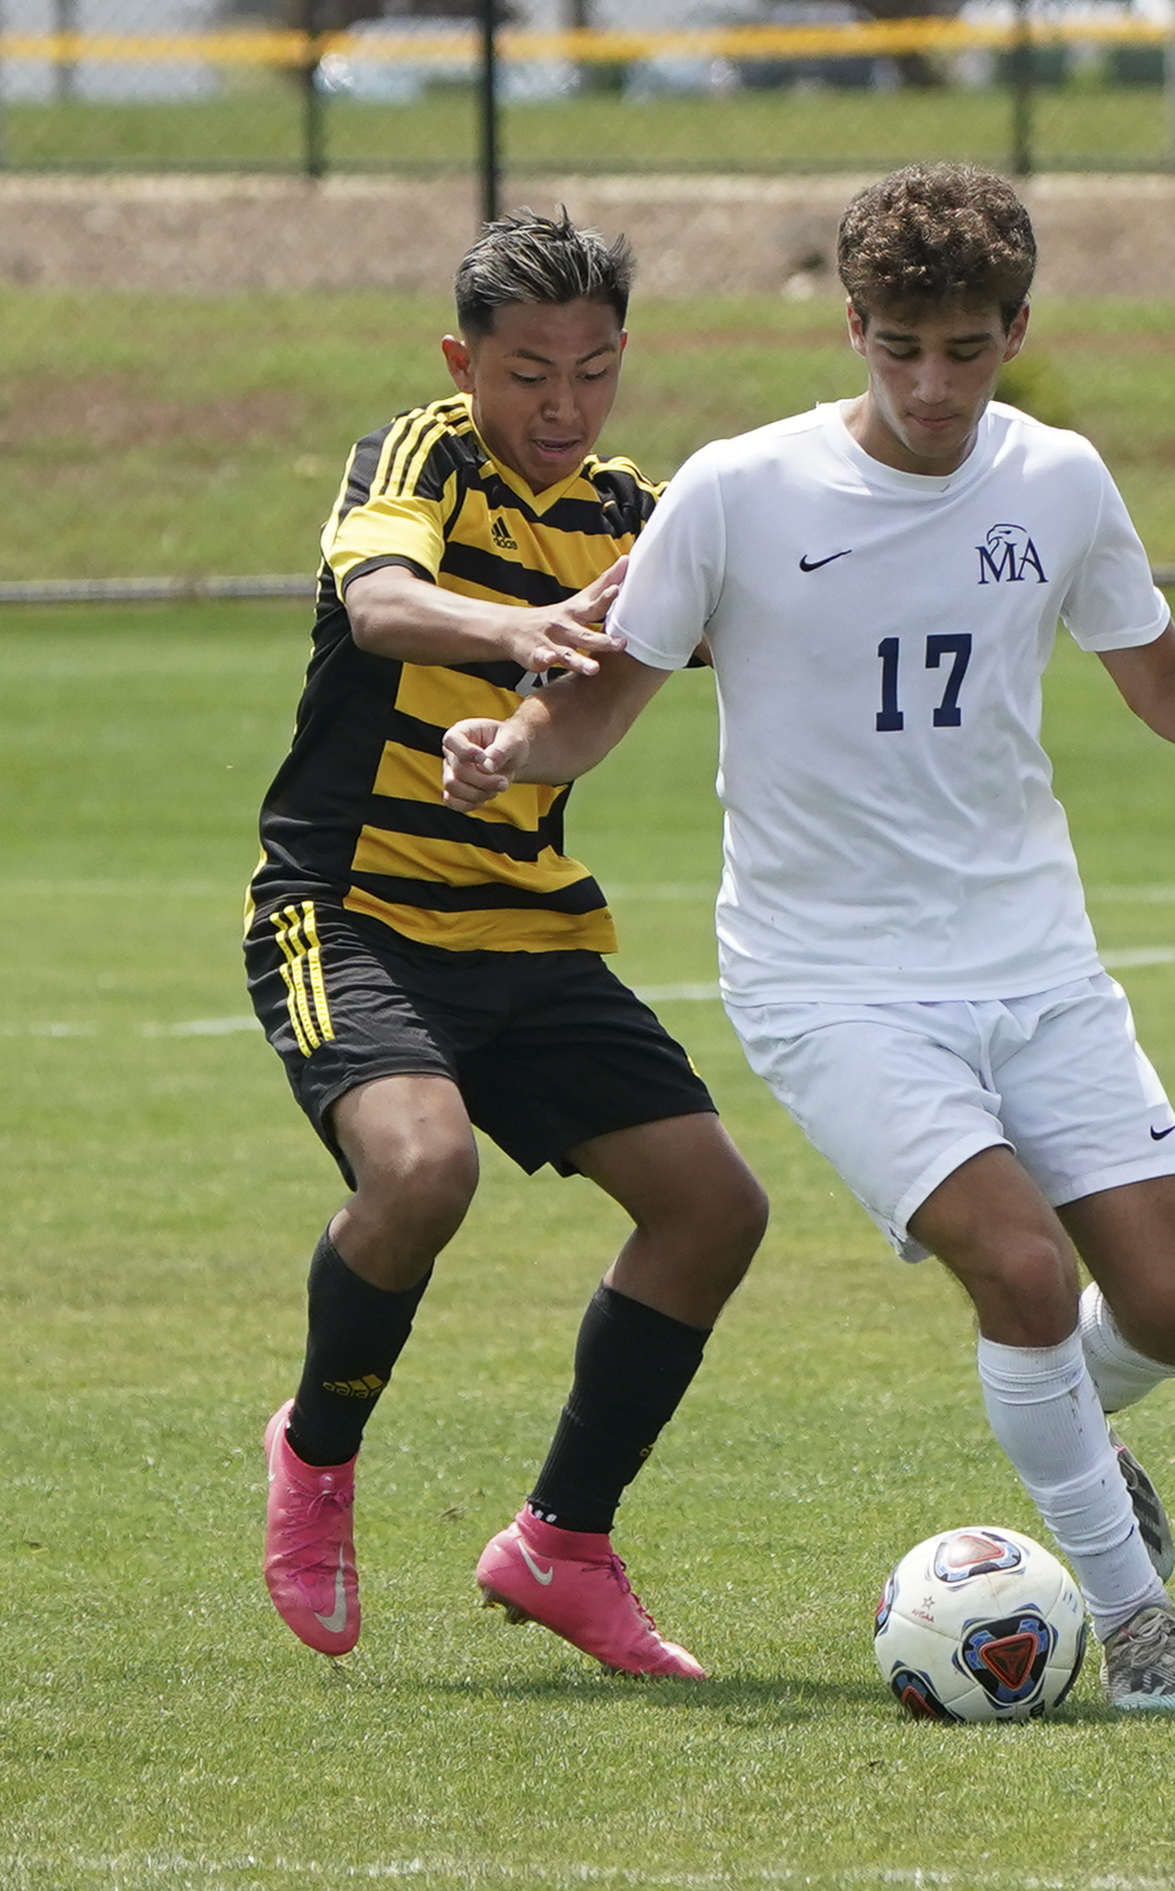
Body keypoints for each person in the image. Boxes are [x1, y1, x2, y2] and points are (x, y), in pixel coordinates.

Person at [441, 165, 1175, 1713]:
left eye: (966, 350)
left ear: (1014, 328)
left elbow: (1157, 672)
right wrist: (511, 750)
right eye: (900, 347)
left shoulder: (1058, 480)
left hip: (1032, 960)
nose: (933, 384)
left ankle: (1069, 1441)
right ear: (853, 328)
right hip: (830, 982)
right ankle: (1138, 1622)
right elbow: (599, 704)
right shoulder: (738, 491)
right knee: (1019, 1274)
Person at [245, 208, 767, 1678]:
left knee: (713, 1210)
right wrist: (528, 628)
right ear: (460, 359)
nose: (562, 404)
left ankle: (560, 1543)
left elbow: (760, 609)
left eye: (595, 371)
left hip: (528, 934)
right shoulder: (422, 455)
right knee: (421, 1167)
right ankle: (317, 1456)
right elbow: (382, 603)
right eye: (530, 368)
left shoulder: (634, 508)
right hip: (347, 911)